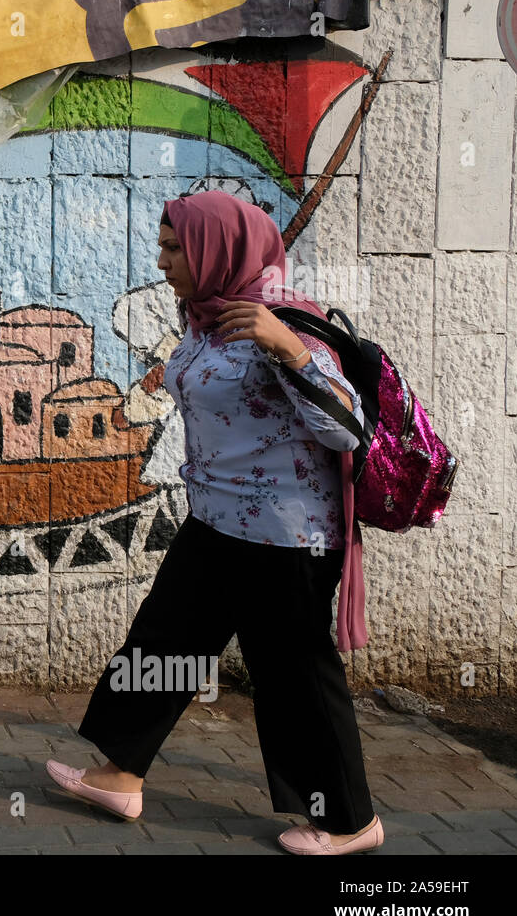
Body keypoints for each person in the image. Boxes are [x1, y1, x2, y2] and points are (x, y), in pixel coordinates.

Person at [46, 189, 383, 855]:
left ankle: (350, 822)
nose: (164, 259)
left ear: (215, 250)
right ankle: (119, 774)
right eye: (165, 245)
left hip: (286, 538)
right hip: (217, 524)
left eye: (176, 247)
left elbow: (347, 430)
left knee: (293, 678)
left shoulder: (283, 323)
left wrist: (285, 345)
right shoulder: (208, 318)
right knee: (163, 644)